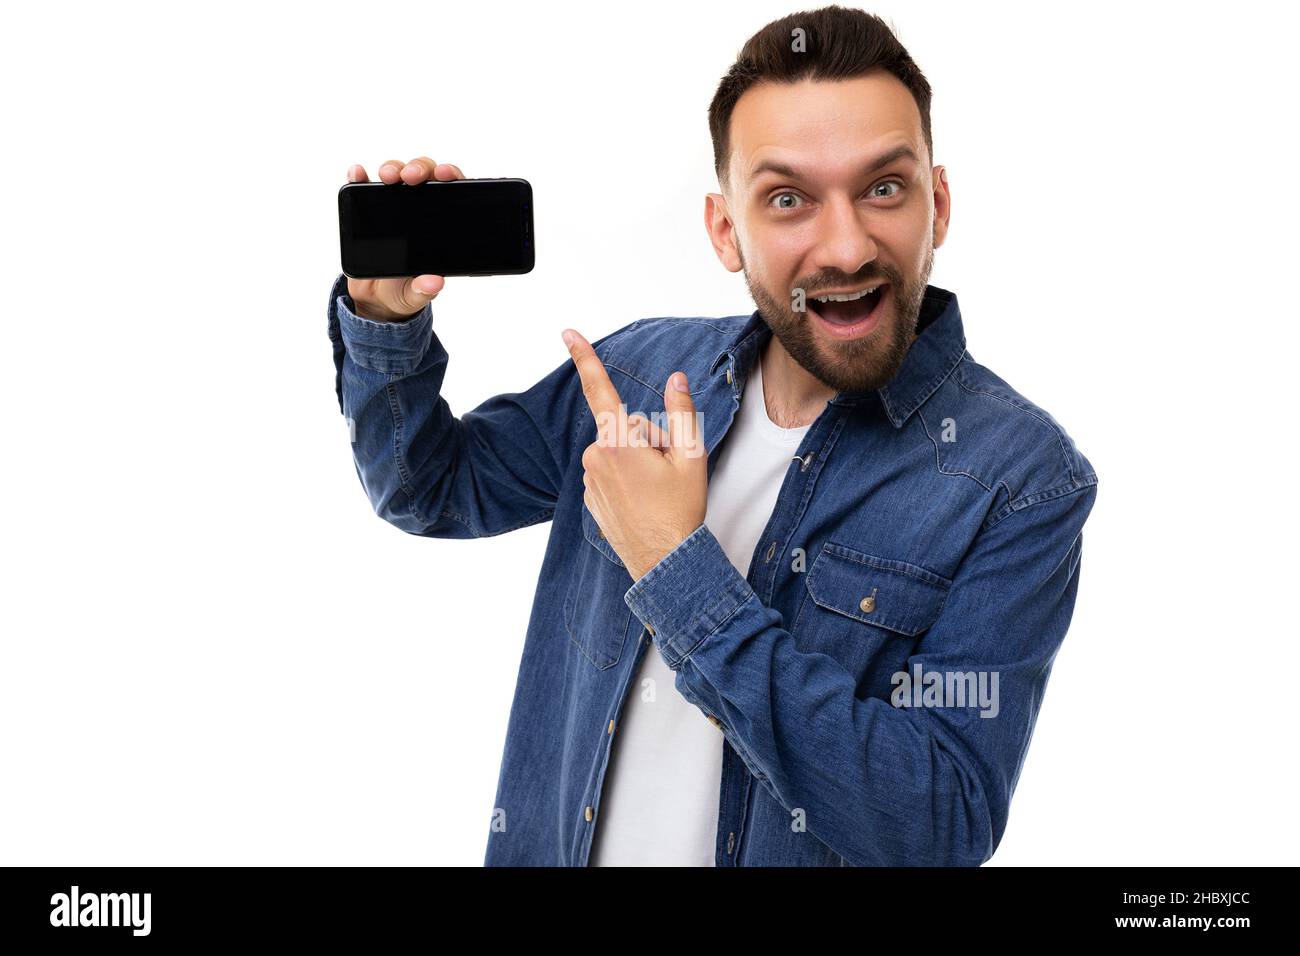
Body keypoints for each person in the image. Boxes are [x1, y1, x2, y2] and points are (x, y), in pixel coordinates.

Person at [325, 5, 1097, 866]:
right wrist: (381, 322)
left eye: (884, 187)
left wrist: (675, 568)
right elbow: (426, 489)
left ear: (939, 204)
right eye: (787, 199)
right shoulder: (633, 376)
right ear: (726, 230)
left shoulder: (1021, 478)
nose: (845, 245)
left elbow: (937, 823)